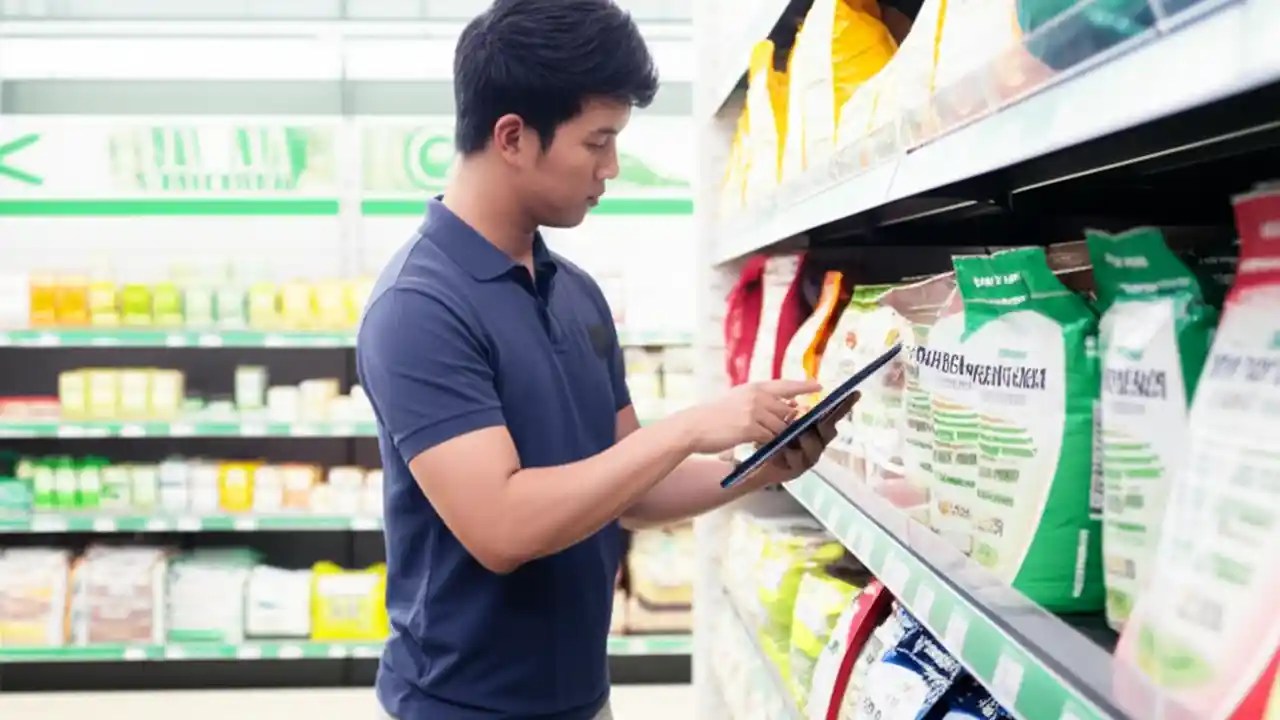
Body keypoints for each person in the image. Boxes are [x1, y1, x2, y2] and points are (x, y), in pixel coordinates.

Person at [356, 1, 857, 718]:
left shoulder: (577, 295)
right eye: (598, 142)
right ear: (512, 137)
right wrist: (689, 427)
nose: (612, 167)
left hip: (584, 698)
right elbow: (502, 529)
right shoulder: (418, 307)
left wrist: (760, 467)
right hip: (459, 706)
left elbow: (630, 487)